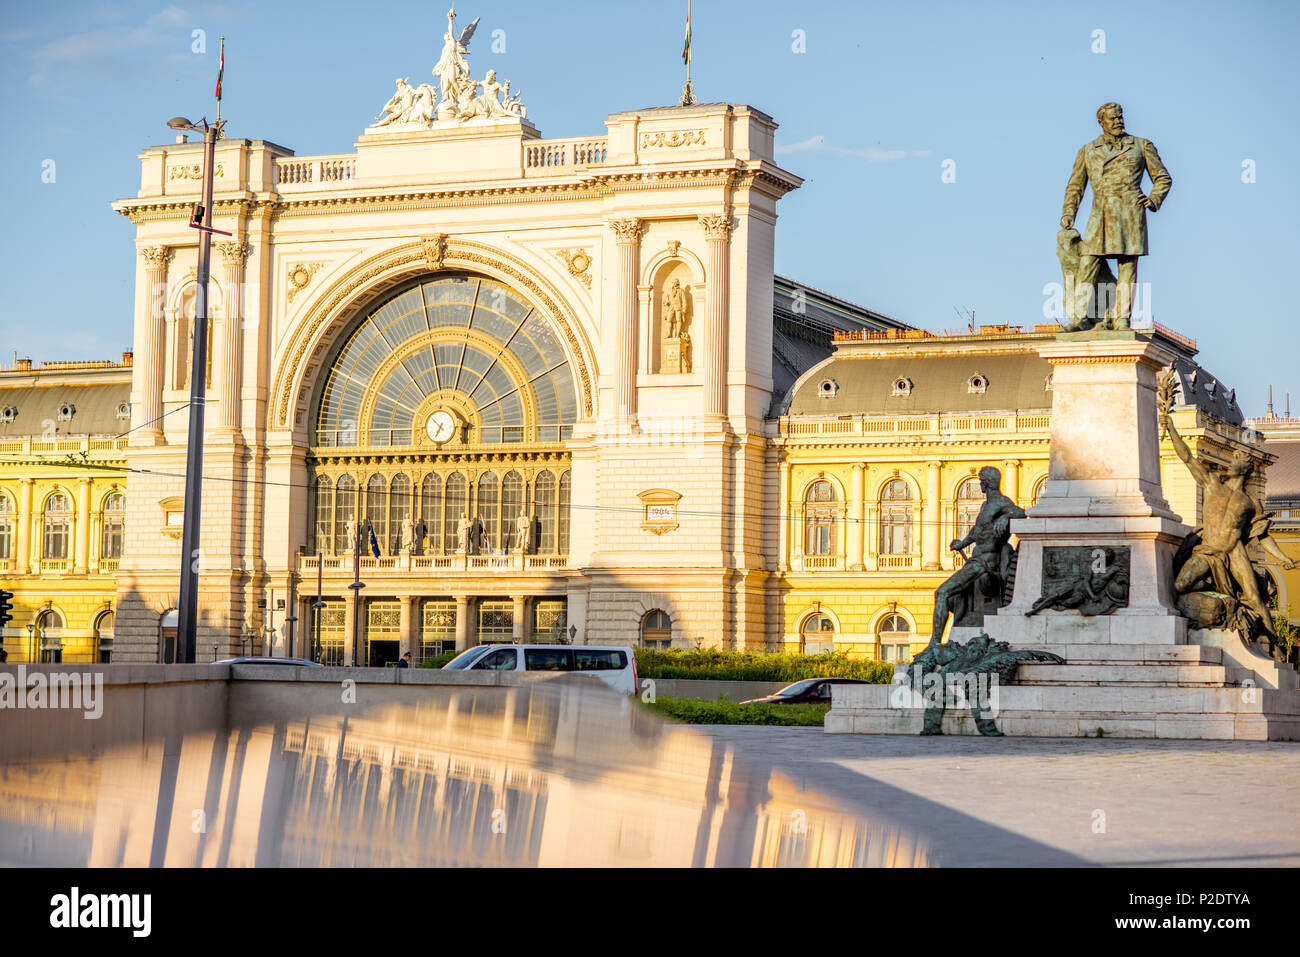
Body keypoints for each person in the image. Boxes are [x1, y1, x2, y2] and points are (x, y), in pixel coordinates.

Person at [1060, 102, 1172, 327]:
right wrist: (1068, 212)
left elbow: (1163, 177)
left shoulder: (1141, 146)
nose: (1118, 121)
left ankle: (1121, 319)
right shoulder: (1088, 151)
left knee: (1127, 268)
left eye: (1120, 117)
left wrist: (1152, 200)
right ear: (1101, 123)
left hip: (1130, 213)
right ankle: (1078, 318)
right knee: (1087, 264)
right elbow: (1075, 186)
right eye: (1112, 119)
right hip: (1099, 215)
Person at [929, 466, 1024, 646]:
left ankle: (934, 644)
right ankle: (950, 638)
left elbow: (1020, 512)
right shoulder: (985, 505)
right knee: (951, 599)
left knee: (942, 592)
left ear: (987, 483)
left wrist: (1006, 518)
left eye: (981, 481)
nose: (980, 484)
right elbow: (978, 531)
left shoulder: (1001, 502)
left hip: (986, 562)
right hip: (975, 560)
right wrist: (962, 543)